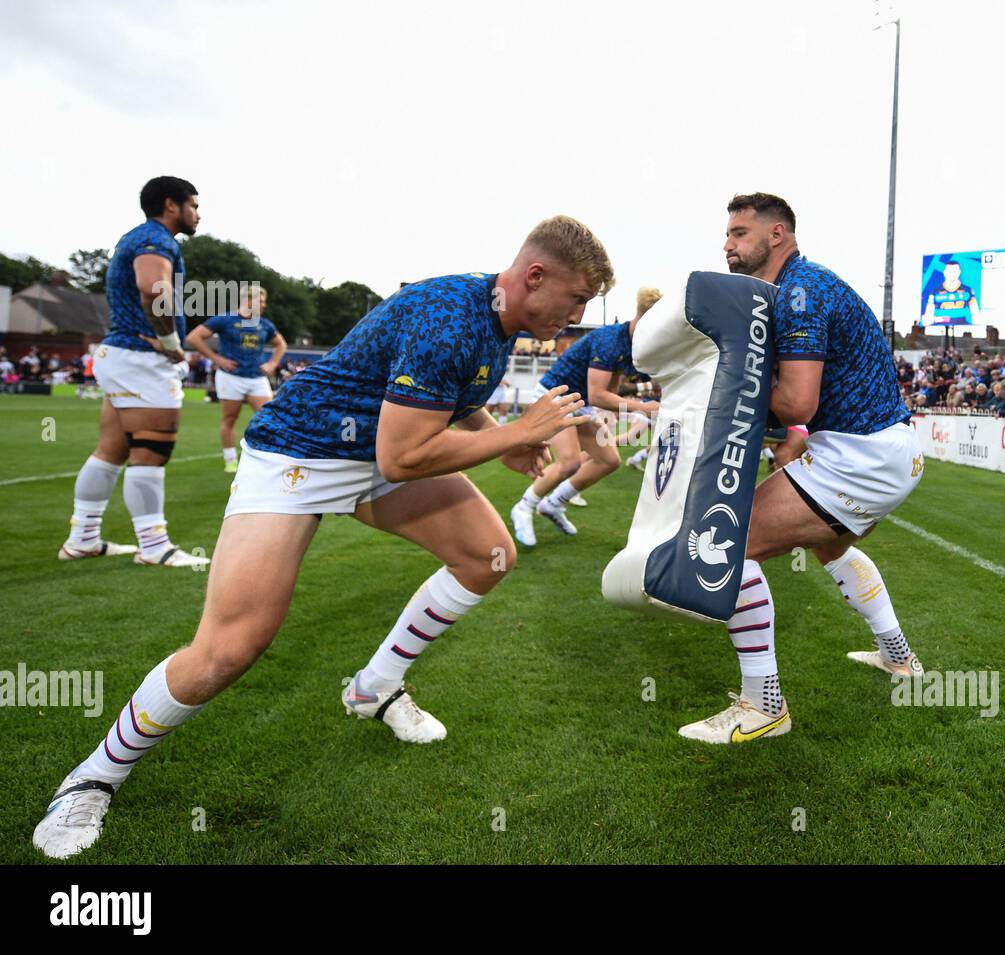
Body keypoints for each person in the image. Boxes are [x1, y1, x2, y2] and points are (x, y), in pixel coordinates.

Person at [33, 215, 614, 858]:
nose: (578, 312)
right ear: (536, 276)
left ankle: (374, 687)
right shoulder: (450, 314)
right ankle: (93, 776)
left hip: (372, 454)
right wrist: (515, 434)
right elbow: (404, 458)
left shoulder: (498, 316)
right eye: (579, 298)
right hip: (300, 455)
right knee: (229, 648)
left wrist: (492, 435)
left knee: (489, 555)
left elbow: (453, 399)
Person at [675, 192, 923, 745]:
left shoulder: (799, 293)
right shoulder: (803, 286)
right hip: (883, 452)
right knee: (831, 547)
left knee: (729, 545)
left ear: (777, 235)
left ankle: (764, 707)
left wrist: (717, 398)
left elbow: (797, 405)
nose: (728, 244)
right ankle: (900, 660)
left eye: (740, 233)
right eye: (729, 233)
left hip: (862, 459)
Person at [58, 176, 209, 568]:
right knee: (152, 452)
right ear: (171, 205)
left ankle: (83, 538)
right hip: (141, 357)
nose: (198, 213)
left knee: (110, 452)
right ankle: (154, 546)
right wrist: (174, 344)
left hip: (123, 355)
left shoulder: (142, 237)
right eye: (193, 204)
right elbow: (154, 288)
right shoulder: (156, 239)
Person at [509, 288, 660, 545]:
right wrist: (646, 408)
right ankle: (524, 507)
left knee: (609, 459)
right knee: (569, 462)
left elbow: (609, 392)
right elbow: (600, 395)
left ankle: (554, 504)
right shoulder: (612, 340)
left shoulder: (631, 343)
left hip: (580, 401)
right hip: (556, 395)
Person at [185, 286, 287, 473]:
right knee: (230, 418)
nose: (264, 305)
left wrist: (272, 364)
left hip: (257, 378)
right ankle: (230, 459)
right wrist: (216, 359)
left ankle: (267, 457)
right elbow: (194, 337)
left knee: (269, 418)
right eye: (260, 301)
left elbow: (281, 344)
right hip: (230, 377)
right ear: (248, 301)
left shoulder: (265, 324)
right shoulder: (225, 319)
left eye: (264, 302)